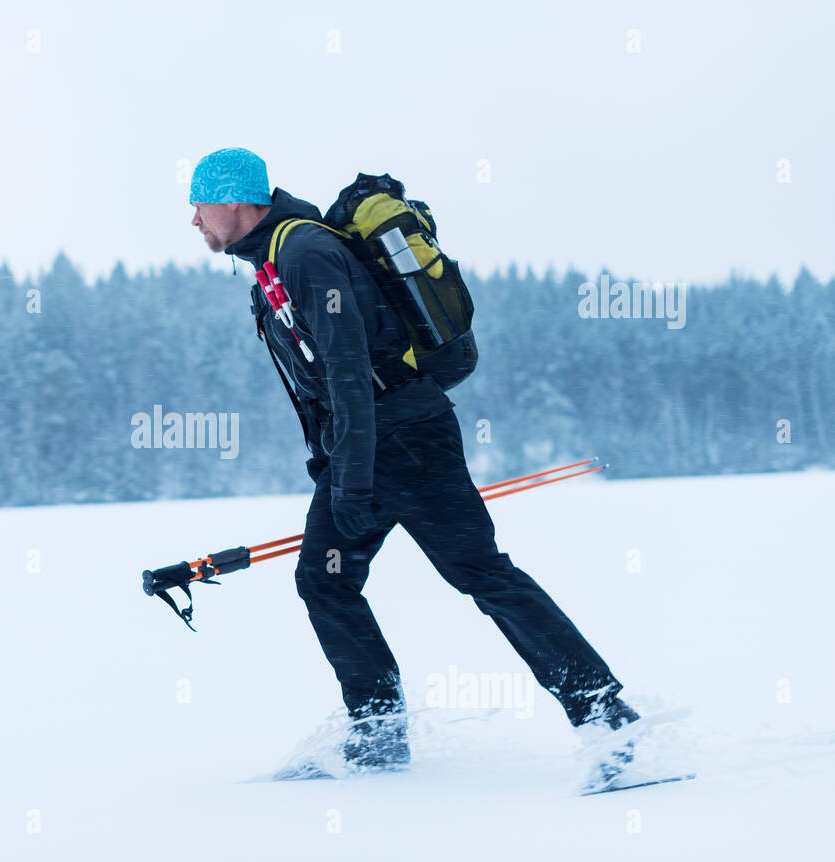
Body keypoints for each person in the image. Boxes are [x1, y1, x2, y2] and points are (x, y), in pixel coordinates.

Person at [188, 147, 641, 770]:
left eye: (199, 204)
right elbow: (320, 376)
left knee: (481, 574)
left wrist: (347, 474)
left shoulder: (304, 253)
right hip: (366, 446)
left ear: (235, 200)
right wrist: (333, 460)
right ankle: (377, 737)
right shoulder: (275, 259)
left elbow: (347, 367)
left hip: (404, 439)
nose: (194, 220)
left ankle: (614, 724)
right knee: (327, 581)